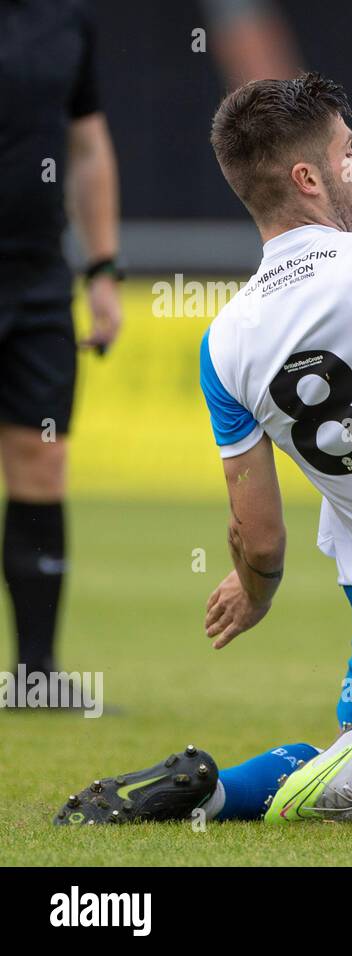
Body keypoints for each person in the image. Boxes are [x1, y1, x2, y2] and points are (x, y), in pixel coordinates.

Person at [0, 0, 123, 687]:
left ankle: (35, 674)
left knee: (42, 461)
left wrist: (103, 268)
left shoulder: (66, 16)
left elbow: (87, 143)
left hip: (40, 275)